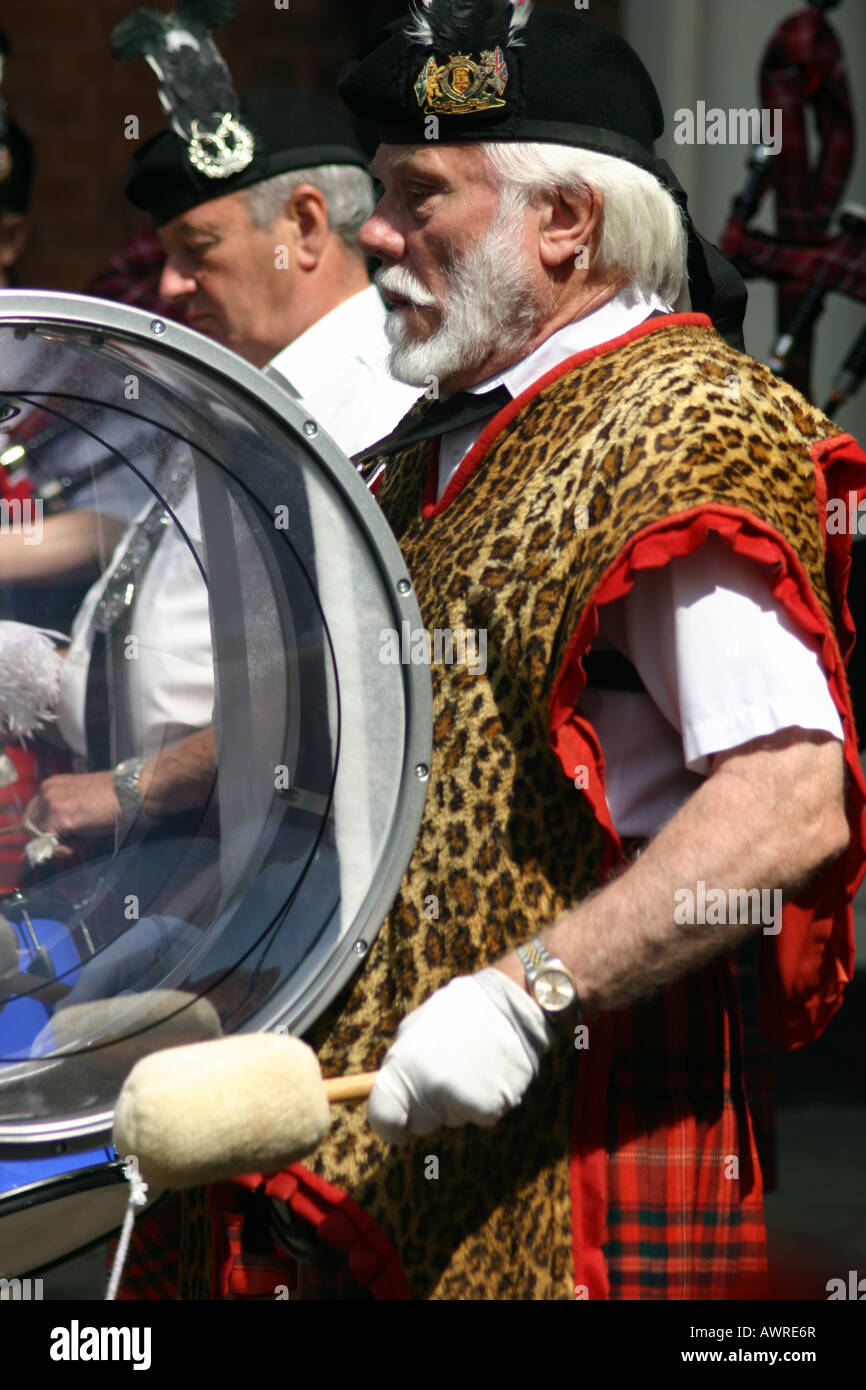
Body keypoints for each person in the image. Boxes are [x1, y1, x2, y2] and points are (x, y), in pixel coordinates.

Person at [167, 3, 866, 1301]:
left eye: (420, 194)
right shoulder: (460, 425)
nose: (378, 231)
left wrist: (526, 990)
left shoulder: (680, 420)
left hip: (590, 1127)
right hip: (417, 1135)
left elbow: (787, 797)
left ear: (564, 224)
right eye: (379, 193)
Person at [22, 7, 417, 856]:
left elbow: (352, 685)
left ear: (306, 227)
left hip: (285, 864)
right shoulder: (247, 390)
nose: (169, 282)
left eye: (197, 247)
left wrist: (134, 787)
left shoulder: (384, 404)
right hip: (192, 851)